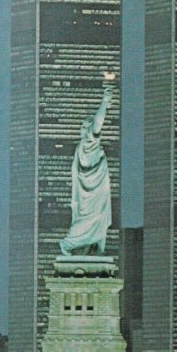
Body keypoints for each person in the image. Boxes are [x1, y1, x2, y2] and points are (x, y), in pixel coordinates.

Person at [59, 84, 114, 256]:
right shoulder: (85, 145)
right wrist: (104, 102)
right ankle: (69, 243)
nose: (83, 130)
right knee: (88, 220)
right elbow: (96, 126)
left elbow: (97, 125)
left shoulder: (90, 143)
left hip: (96, 194)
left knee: (97, 219)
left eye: (85, 127)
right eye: (82, 127)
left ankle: (89, 248)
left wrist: (105, 102)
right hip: (87, 196)